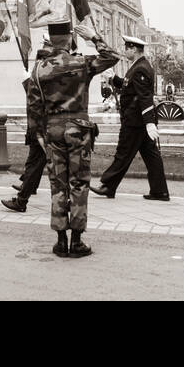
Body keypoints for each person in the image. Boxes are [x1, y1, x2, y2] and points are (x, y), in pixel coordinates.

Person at [27, 22, 119, 257]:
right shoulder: (81, 64)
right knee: (78, 183)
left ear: (51, 41)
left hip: (52, 130)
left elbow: (33, 106)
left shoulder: (39, 68)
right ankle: (76, 241)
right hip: (77, 128)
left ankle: (60, 240)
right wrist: (94, 37)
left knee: (58, 184)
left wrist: (38, 134)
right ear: (69, 40)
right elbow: (111, 57)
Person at [92, 36, 169, 200]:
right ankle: (159, 191)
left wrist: (149, 122)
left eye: (126, 48)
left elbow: (144, 97)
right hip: (137, 120)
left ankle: (108, 186)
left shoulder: (141, 68)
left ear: (133, 49)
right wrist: (114, 78)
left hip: (136, 121)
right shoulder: (139, 66)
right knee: (151, 156)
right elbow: (129, 87)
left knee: (123, 153)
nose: (125, 51)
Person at [2, 44, 54, 212]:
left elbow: (36, 103)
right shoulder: (47, 77)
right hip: (39, 128)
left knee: (37, 165)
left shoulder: (38, 79)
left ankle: (22, 199)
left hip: (40, 128)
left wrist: (27, 83)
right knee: (34, 164)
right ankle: (26, 191)